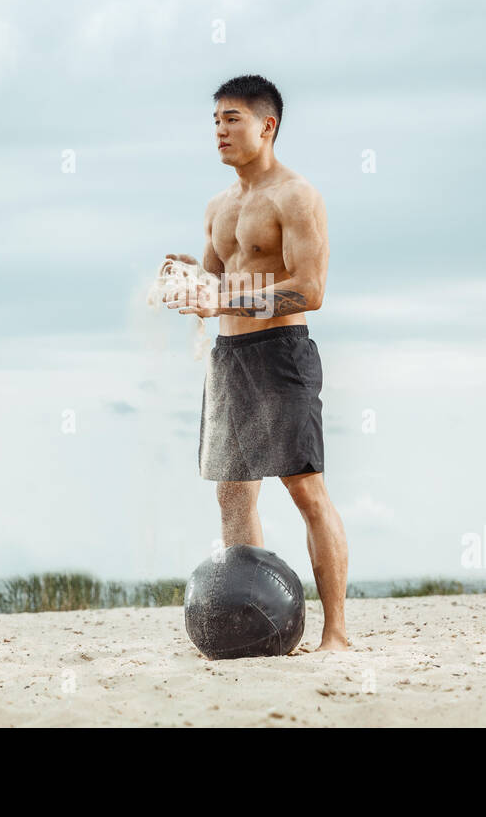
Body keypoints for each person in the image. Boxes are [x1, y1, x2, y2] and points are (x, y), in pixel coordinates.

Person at [166, 73, 349, 652]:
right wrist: (184, 282)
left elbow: (310, 289)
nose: (220, 130)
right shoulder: (217, 207)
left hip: (280, 353)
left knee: (306, 490)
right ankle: (245, 626)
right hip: (228, 357)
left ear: (266, 125)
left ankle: (336, 633)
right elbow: (212, 286)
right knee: (232, 494)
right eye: (215, 120)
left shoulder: (295, 196)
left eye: (233, 119)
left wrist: (223, 296)